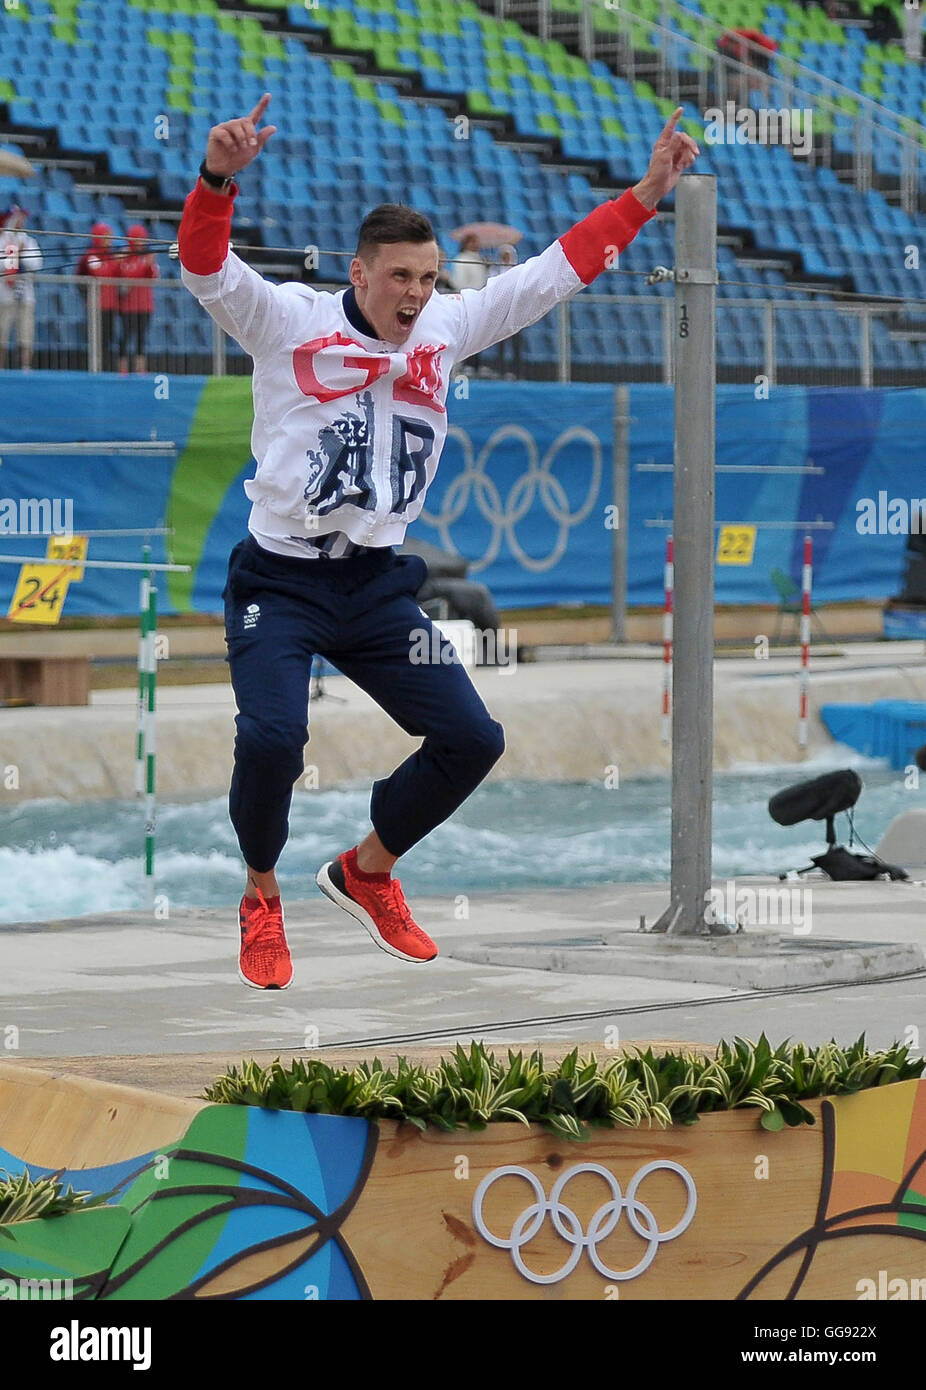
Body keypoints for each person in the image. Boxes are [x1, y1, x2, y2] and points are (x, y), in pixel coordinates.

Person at [178, 93, 698, 990]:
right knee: (272, 741)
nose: (417, 295)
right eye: (400, 279)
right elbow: (205, 267)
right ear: (360, 273)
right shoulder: (290, 319)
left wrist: (647, 194)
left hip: (378, 586)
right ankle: (263, 893)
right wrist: (216, 179)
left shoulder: (449, 326)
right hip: (282, 578)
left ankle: (366, 870)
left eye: (427, 278)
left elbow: (554, 271)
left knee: (473, 738)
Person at [0, 206, 43, 371]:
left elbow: (37, 263)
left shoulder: (29, 241)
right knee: (2, 331)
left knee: (26, 332)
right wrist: (13, 256)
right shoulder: (3, 240)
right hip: (5, 294)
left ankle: (25, 366)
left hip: (25, 294)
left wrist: (22, 254)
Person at [76, 222, 119, 370]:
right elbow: (91, 275)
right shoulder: (91, 256)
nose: (110, 239)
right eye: (107, 236)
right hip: (96, 305)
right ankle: (94, 368)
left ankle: (106, 368)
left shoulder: (111, 256)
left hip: (110, 305)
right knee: (96, 339)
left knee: (108, 338)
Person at [116, 223, 158, 374]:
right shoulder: (125, 255)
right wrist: (144, 265)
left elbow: (153, 276)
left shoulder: (147, 256)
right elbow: (128, 274)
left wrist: (149, 265)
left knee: (141, 336)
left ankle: (141, 368)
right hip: (128, 305)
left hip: (145, 305)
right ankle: (123, 368)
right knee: (126, 336)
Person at [488, 243, 521, 377]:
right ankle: (501, 370)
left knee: (516, 344)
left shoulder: (518, 271)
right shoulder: (495, 271)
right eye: (504, 256)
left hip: (516, 313)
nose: (506, 258)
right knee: (500, 343)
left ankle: (517, 372)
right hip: (500, 312)